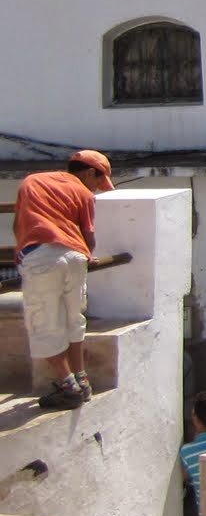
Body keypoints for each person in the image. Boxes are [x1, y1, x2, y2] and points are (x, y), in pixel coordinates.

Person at [12, 150, 114, 409]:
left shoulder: (32, 181)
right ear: (90, 172)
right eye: (98, 182)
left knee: (44, 325)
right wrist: (87, 255)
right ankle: (83, 380)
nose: (96, 188)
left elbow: (18, 225)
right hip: (76, 256)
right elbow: (89, 235)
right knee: (73, 320)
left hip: (41, 256)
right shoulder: (83, 193)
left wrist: (21, 254)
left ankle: (69, 387)